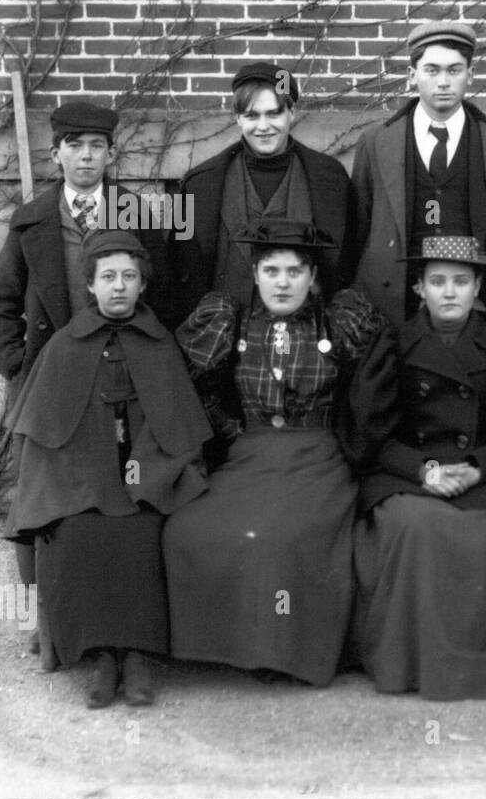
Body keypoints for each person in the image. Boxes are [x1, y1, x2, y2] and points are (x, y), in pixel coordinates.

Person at [163, 219, 390, 687]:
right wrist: (229, 430)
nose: (282, 282)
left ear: (313, 278)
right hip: (249, 455)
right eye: (272, 271)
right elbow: (184, 384)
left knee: (283, 536)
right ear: (255, 273)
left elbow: (373, 392)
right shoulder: (230, 319)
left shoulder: (340, 320)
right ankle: (221, 646)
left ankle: (281, 651)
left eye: (294, 271)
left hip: (319, 457)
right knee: (189, 528)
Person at [4, 231, 211, 708]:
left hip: (149, 479)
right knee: (80, 531)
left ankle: (136, 655)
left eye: (129, 277)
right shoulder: (64, 346)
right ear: (91, 285)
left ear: (142, 285)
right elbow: (45, 443)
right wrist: (92, 483)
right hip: (80, 481)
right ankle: (100, 657)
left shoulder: (159, 345)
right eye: (109, 277)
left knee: (139, 532)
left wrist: (144, 478)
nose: (119, 286)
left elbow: (176, 432)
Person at [0, 100, 132, 659]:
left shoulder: (138, 215)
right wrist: (17, 366)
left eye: (97, 146)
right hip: (46, 378)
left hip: (115, 373)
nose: (87, 156)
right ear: (57, 154)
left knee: (111, 494)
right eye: (76, 145)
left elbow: (159, 296)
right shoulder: (31, 221)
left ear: (111, 153)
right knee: (35, 494)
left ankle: (105, 616)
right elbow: (1, 305)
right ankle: (39, 616)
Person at [350, 236, 486, 700]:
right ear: (419, 288)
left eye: (461, 281)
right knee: (416, 525)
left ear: (478, 287)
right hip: (407, 473)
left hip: (480, 476)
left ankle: (463, 664)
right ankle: (404, 663)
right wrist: (424, 470)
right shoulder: (393, 344)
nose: (449, 292)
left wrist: (476, 467)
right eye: (438, 281)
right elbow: (372, 434)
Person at [351, 21, 486, 348]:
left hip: (475, 311)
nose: (443, 82)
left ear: (470, 75)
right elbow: (358, 229)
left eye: (454, 70)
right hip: (395, 306)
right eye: (431, 70)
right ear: (412, 75)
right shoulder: (376, 142)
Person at [162, 62, 359, 329]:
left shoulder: (332, 180)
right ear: (238, 118)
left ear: (291, 112)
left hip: (306, 342)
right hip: (223, 343)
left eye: (273, 113)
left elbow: (348, 265)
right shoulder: (197, 185)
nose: (263, 126)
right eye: (252, 115)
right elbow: (177, 268)